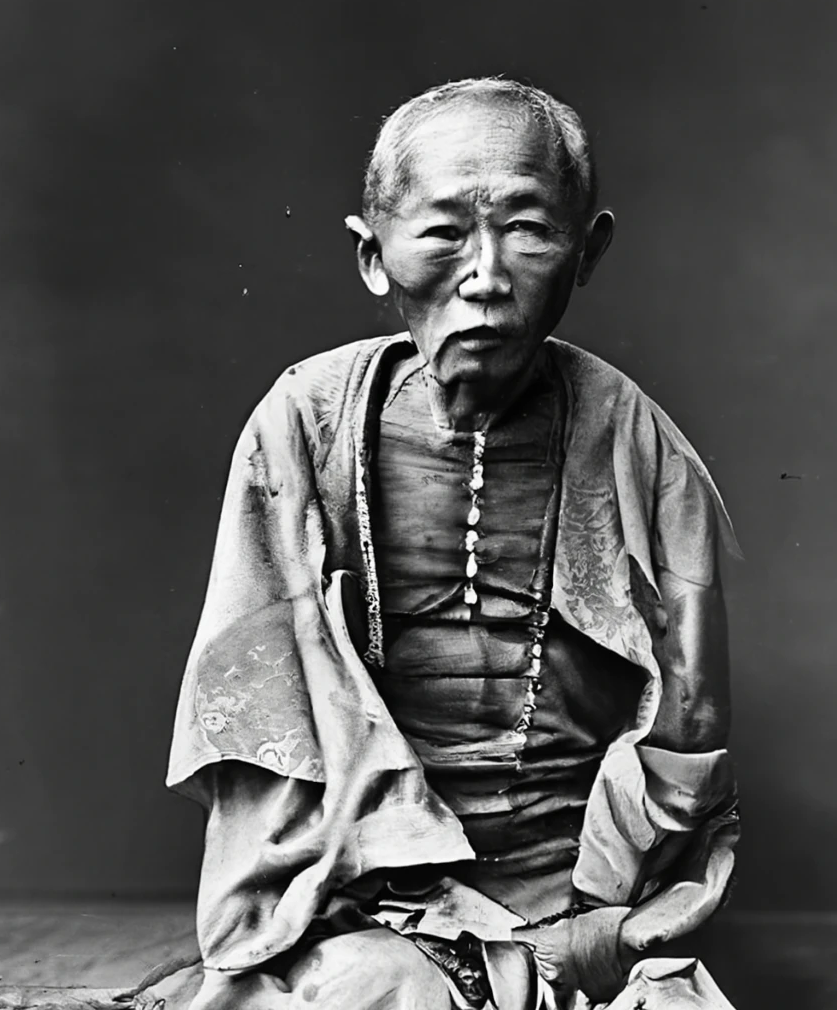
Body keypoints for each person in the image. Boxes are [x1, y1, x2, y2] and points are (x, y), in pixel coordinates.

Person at [167, 77, 743, 1010]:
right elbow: (262, 726)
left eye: (527, 230)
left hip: (589, 902)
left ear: (587, 249)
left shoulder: (635, 438)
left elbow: (689, 728)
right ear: (372, 255)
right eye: (443, 232)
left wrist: (603, 927)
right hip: (367, 898)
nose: (485, 274)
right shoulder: (306, 423)